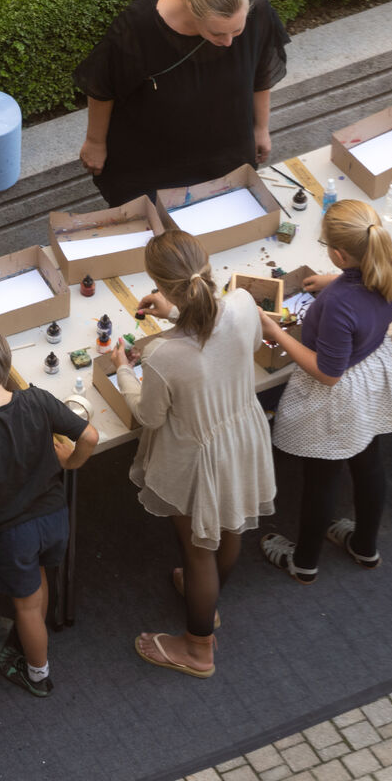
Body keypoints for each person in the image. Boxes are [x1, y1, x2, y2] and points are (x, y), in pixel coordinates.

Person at [109, 230, 274, 678]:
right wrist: (177, 311)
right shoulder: (241, 303)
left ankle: (198, 648)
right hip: (243, 436)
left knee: (197, 548)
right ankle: (211, 596)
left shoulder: (163, 354)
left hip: (198, 459)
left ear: (161, 287)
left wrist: (125, 369)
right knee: (230, 523)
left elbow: (150, 416)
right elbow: (246, 344)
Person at [257, 201, 392, 583]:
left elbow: (328, 373)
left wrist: (276, 333)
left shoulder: (341, 304)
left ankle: (305, 562)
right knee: (368, 463)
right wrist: (338, 279)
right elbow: (370, 296)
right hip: (373, 373)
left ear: (341, 254)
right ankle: (364, 546)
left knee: (322, 479)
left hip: (337, 394)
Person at [0, 322, 99, 697]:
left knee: (26, 607)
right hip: (54, 517)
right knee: (38, 581)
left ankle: (37, 673)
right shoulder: (38, 398)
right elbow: (90, 436)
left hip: (13, 533)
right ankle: (39, 631)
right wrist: (71, 464)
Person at [73, 0, 289, 206]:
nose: (230, 42)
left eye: (238, 31)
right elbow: (103, 87)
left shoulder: (255, 6)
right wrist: (95, 142)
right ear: (192, 11)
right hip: (153, 159)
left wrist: (261, 128)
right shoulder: (138, 26)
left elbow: (261, 72)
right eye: (217, 33)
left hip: (226, 148)